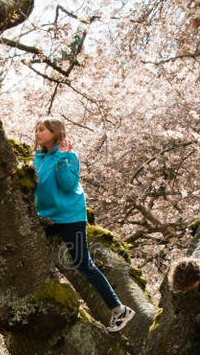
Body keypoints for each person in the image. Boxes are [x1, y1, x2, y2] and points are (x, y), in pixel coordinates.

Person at [33, 117, 135, 331]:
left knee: (83, 263)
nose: (38, 133)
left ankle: (119, 310)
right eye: (37, 130)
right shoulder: (38, 158)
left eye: (43, 130)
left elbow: (69, 185)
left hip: (70, 216)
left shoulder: (69, 156)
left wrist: (61, 159)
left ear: (55, 132)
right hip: (46, 216)